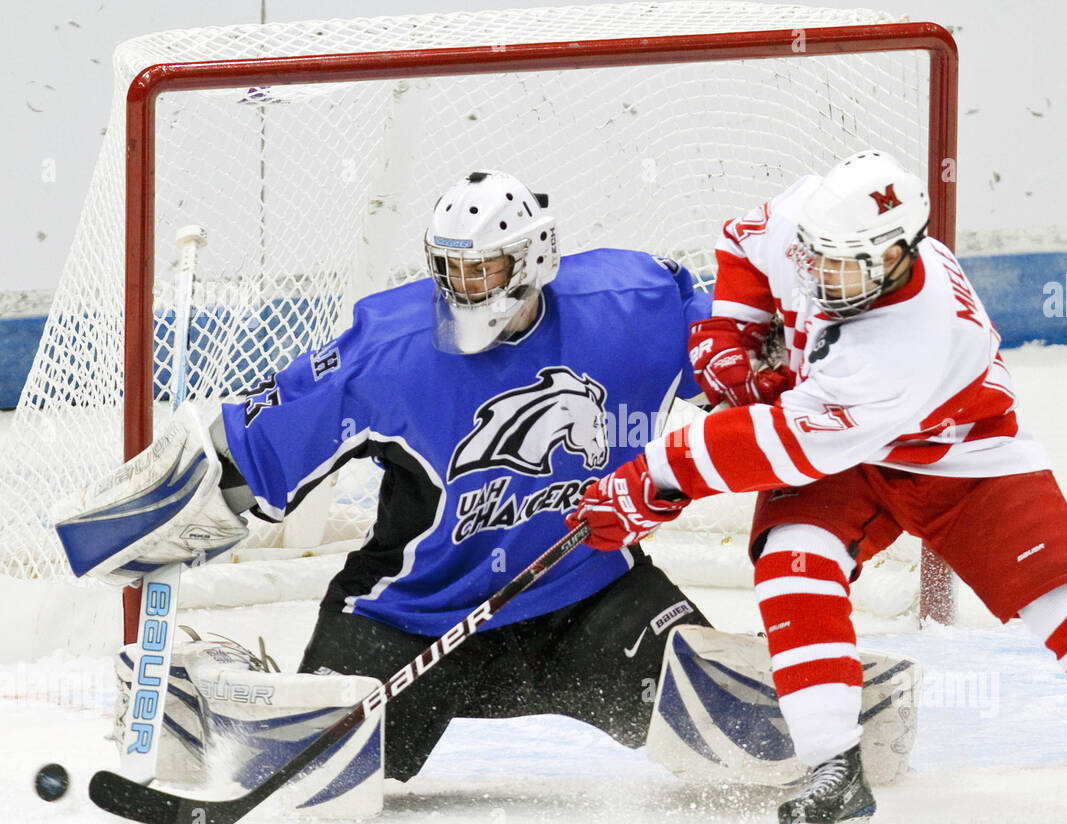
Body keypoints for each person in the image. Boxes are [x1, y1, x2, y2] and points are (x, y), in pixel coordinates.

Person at [568, 150, 1067, 824]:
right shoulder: (814, 228)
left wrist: (653, 478)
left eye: (845, 266)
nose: (823, 277)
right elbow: (743, 238)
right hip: (844, 446)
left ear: (899, 254)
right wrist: (730, 334)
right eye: (818, 259)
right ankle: (835, 774)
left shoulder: (904, 338)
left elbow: (784, 444)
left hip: (959, 457)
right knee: (794, 565)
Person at [59, 169, 715, 782]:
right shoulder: (390, 350)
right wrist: (170, 505)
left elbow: (739, 362)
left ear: (536, 258)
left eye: (483, 268)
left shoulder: (634, 305)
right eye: (450, 270)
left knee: (735, 725)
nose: (465, 288)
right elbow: (265, 442)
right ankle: (213, 679)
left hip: (590, 599)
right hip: (412, 618)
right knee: (307, 769)